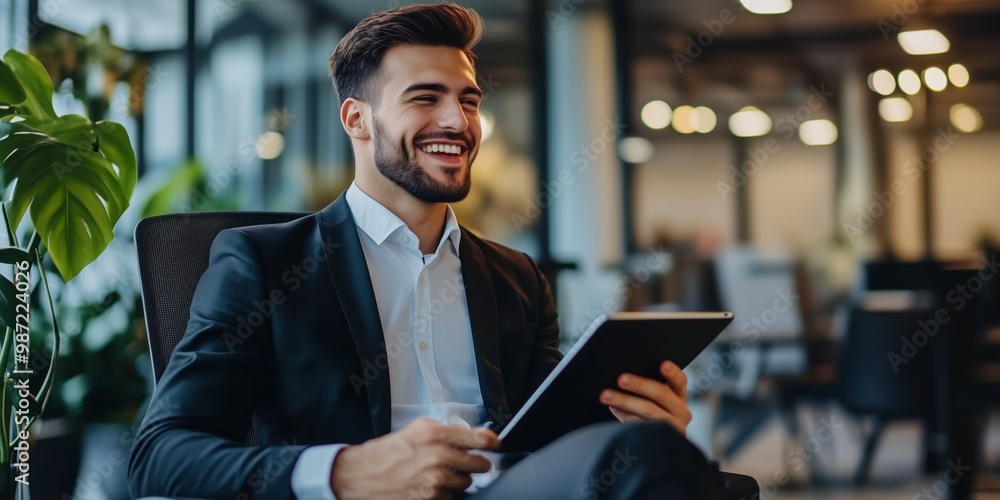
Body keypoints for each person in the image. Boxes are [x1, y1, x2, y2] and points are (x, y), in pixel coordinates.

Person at [128, 4, 731, 499]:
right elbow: (162, 455)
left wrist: (631, 425)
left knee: (654, 455)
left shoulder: (516, 278)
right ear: (356, 119)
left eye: (468, 101)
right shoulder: (264, 264)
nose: (458, 121)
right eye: (425, 98)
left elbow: (547, 432)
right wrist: (345, 471)